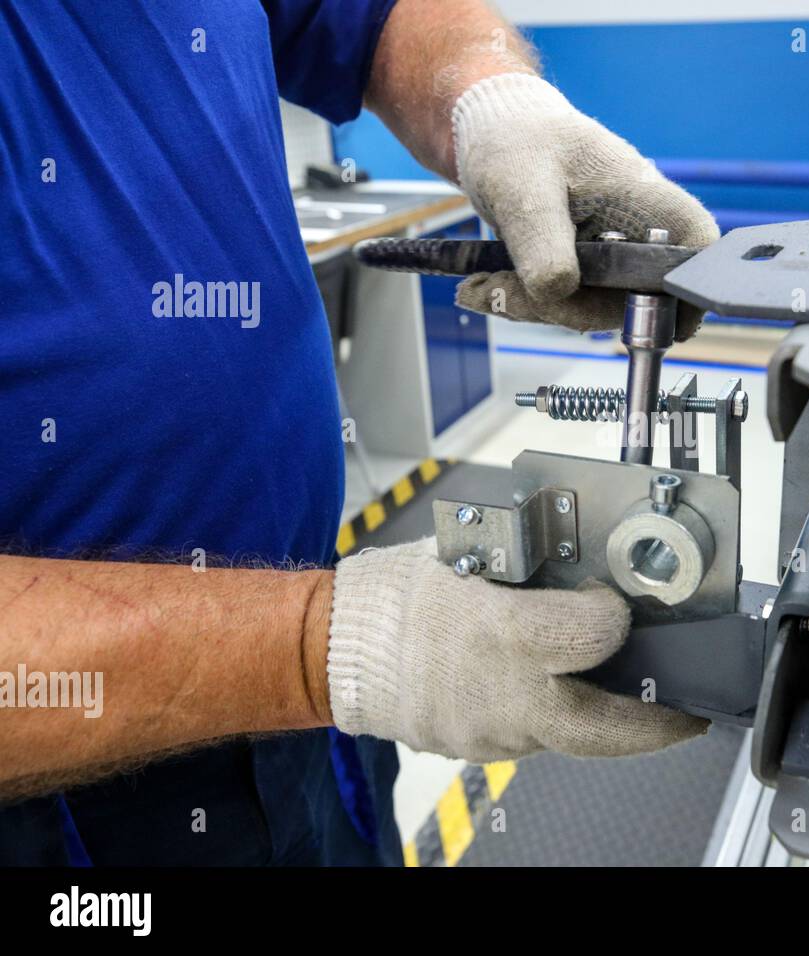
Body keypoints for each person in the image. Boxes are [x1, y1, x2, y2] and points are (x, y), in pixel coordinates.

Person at [0, 0, 717, 865]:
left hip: (317, 680)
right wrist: (328, 646)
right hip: (65, 790)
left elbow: (371, 17)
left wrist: (490, 99)